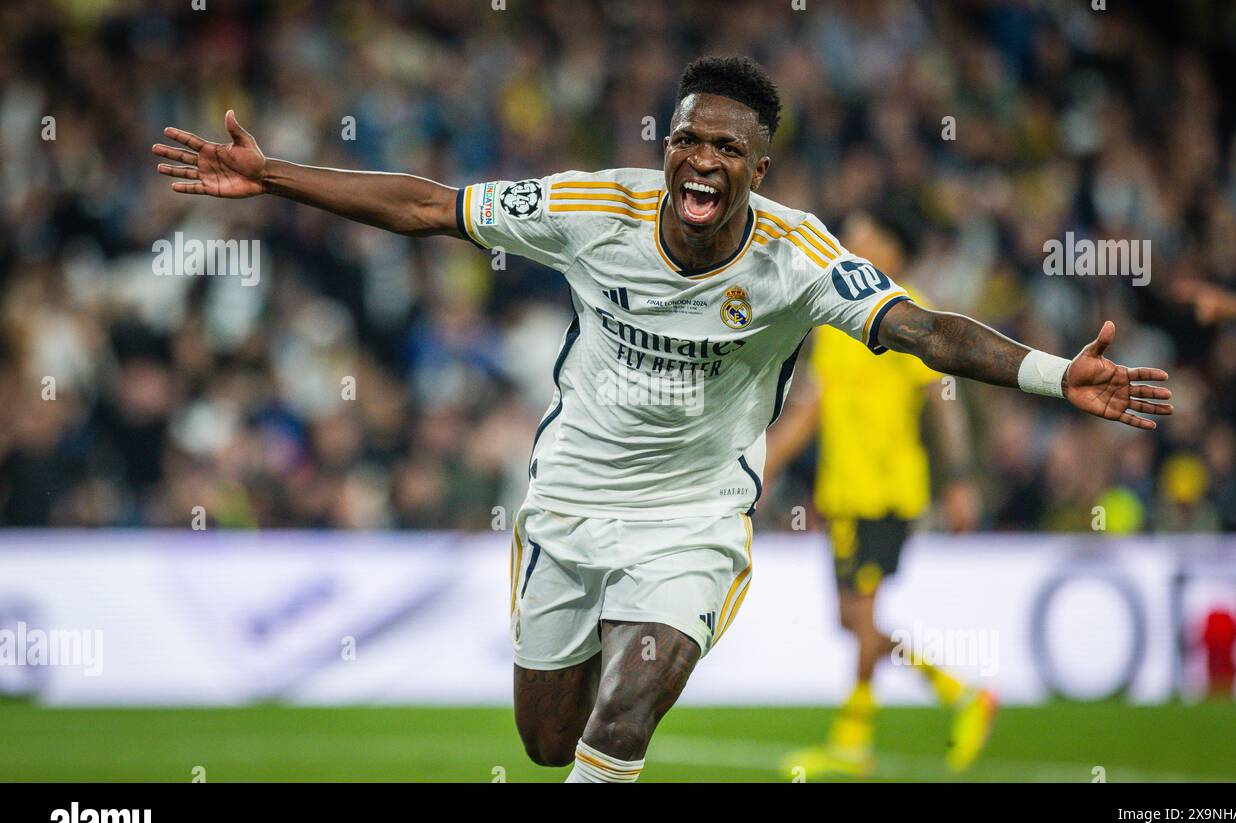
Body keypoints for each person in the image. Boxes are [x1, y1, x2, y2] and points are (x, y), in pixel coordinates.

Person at [153, 56, 1173, 783]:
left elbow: (922, 330)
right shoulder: (593, 207)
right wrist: (271, 175)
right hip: (570, 501)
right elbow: (431, 204)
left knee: (629, 706)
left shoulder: (798, 256)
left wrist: (1050, 374)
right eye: (685, 136)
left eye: (726, 146)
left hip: (694, 514)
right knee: (549, 743)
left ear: (756, 171)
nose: (699, 157)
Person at [764, 213, 991, 779]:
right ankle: (958, 693)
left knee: (862, 620)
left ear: (893, 247)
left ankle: (852, 742)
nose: (852, 243)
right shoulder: (837, 314)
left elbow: (943, 398)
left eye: (865, 235)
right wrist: (762, 465)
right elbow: (811, 407)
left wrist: (959, 479)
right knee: (853, 623)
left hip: (885, 493)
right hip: (844, 494)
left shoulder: (911, 316)